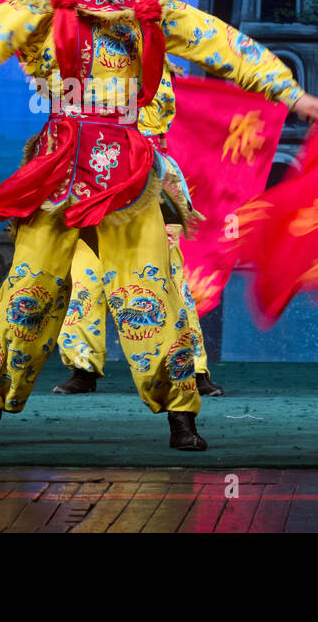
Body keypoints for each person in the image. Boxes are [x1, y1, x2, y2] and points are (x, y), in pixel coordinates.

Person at [0, 0, 318, 449]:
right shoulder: (42, 8)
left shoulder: (152, 13)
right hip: (59, 166)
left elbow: (225, 45)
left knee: (147, 293)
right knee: (28, 289)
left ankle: (182, 414)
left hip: (127, 168)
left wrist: (286, 91)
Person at [53, 64, 224, 397]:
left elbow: (156, 125)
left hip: (145, 177)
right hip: (92, 178)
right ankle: (82, 368)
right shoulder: (79, 60)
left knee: (168, 279)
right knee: (86, 278)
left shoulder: (153, 62)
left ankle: (192, 370)